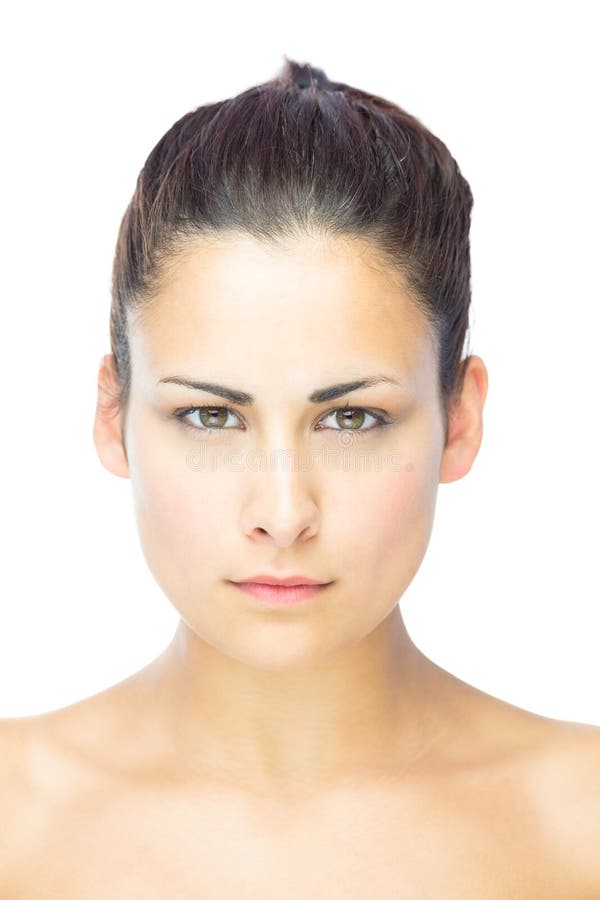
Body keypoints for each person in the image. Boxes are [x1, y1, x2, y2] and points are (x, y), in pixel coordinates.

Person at [2, 57, 599, 897]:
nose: (283, 515)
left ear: (459, 419)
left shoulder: (584, 828)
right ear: (114, 416)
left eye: (351, 419)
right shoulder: (12, 825)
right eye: (212, 416)